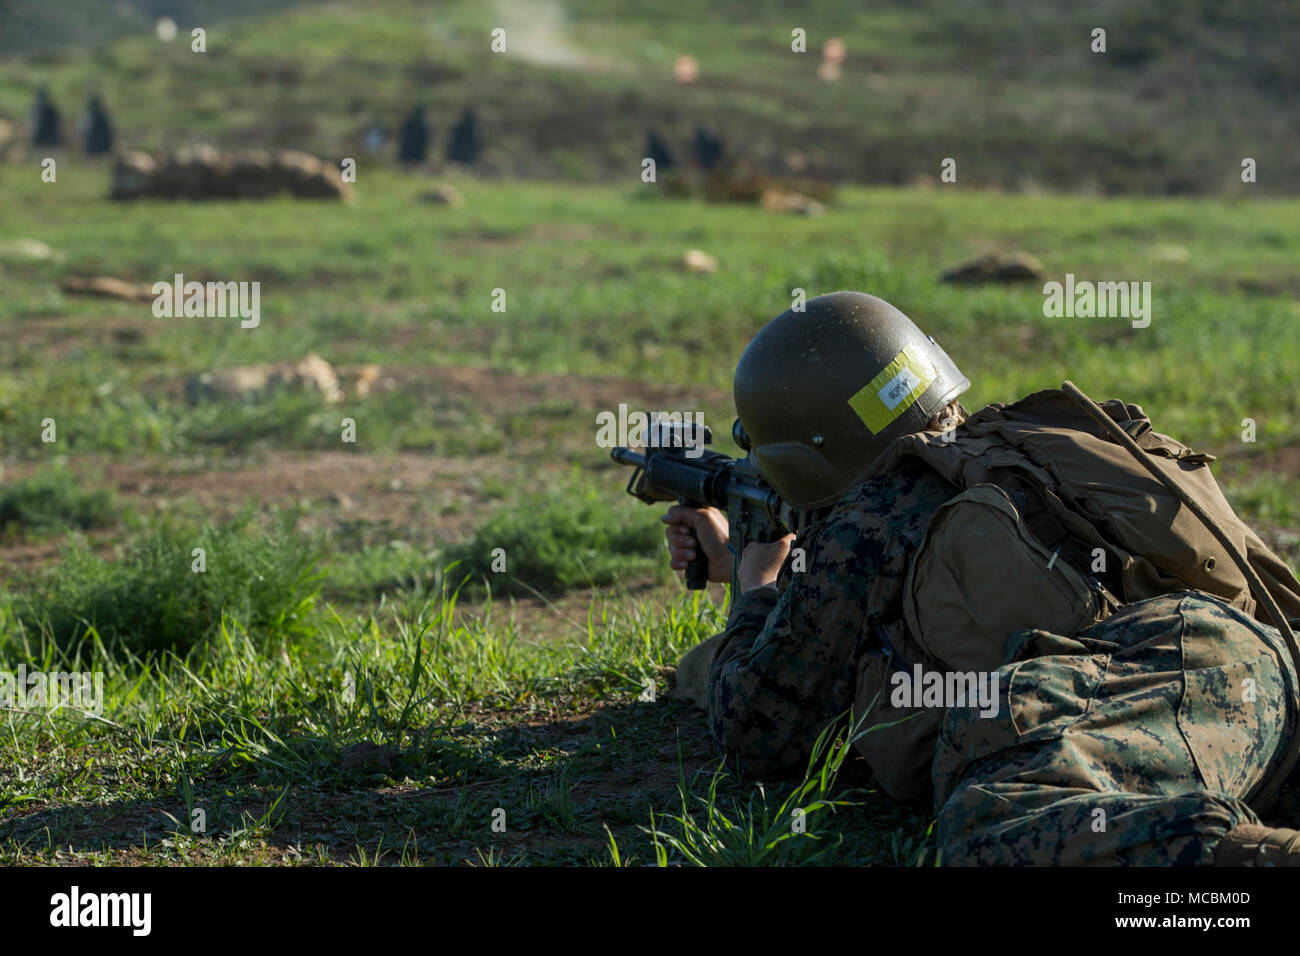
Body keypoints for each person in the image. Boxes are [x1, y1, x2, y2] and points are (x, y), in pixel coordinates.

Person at [662, 290, 1300, 866]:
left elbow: (760, 734)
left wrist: (758, 585)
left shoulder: (867, 527)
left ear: (803, 455)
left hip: (1156, 698)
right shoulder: (1028, 440)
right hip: (1260, 675)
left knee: (999, 826)